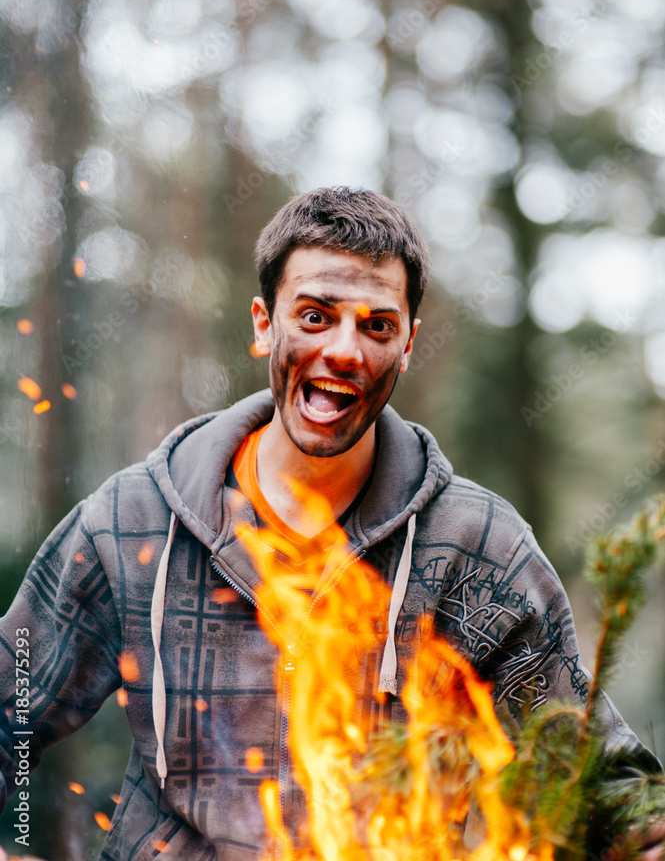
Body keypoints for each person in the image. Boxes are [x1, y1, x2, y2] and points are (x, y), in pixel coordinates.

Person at [0, 186, 662, 860]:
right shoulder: (132, 524)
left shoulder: (476, 547)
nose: (345, 350)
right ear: (264, 323)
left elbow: (603, 787)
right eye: (315, 316)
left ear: (407, 344)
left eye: (377, 326)